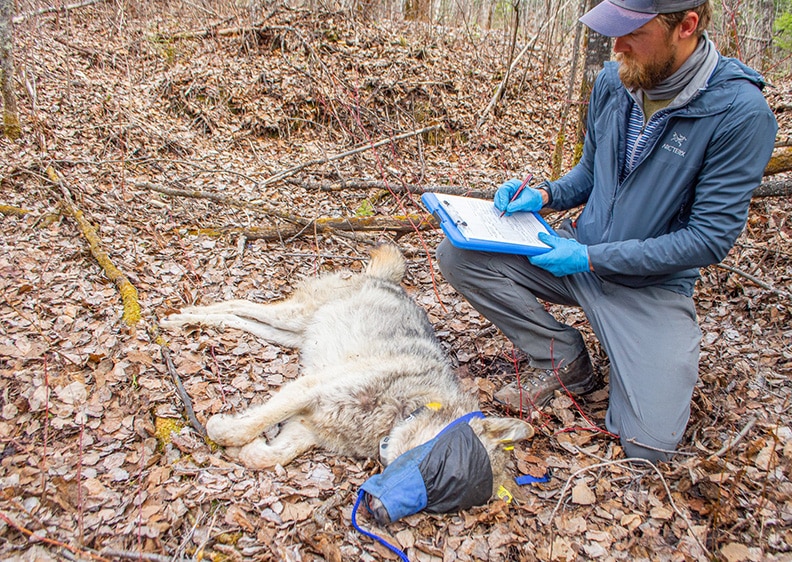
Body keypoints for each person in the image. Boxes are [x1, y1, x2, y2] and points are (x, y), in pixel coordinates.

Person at [437, 0, 777, 462]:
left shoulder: (739, 112)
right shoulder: (615, 82)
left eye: (632, 33)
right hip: (577, 250)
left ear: (686, 26)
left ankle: (635, 358)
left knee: (647, 447)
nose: (616, 47)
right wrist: (545, 195)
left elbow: (708, 239)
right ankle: (562, 357)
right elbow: (590, 174)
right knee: (459, 254)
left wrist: (592, 259)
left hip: (649, 287)